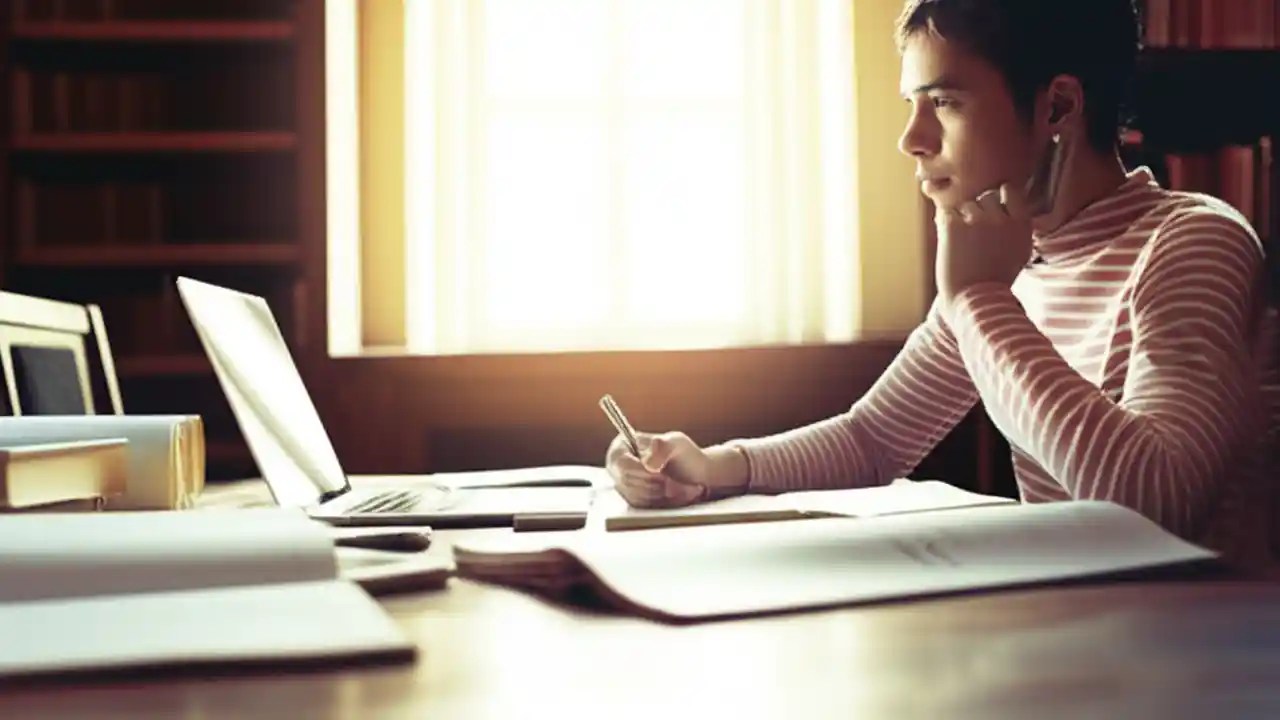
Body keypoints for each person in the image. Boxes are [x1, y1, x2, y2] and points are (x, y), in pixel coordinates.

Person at [605, 0, 1279, 568]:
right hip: (1085, 639)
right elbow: (873, 440)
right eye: (912, 104)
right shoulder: (1004, 258)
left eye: (945, 102)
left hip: (1201, 657)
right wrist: (712, 467)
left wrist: (978, 302)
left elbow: (1154, 505)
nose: (911, 139)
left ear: (1058, 106)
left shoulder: (1192, 242)